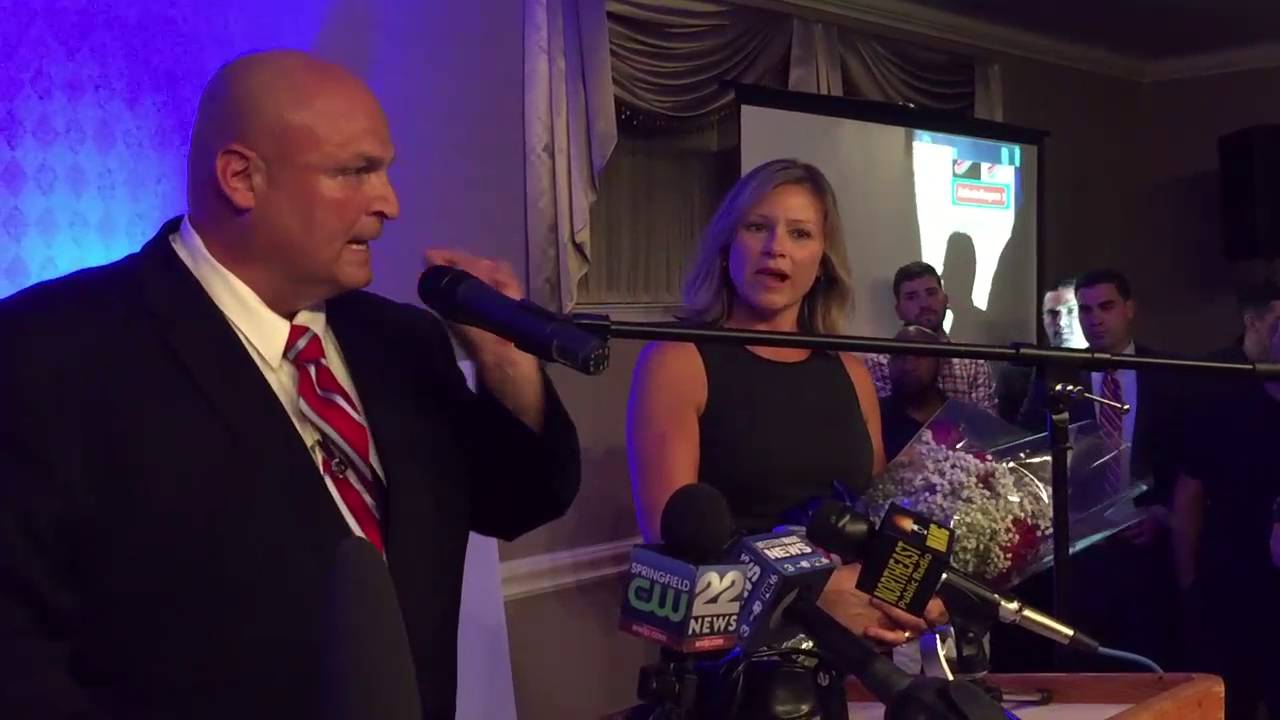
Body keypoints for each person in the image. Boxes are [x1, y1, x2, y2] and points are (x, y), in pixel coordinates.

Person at [0, 51, 581, 719]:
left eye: (385, 171)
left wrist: (507, 363)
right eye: (354, 172)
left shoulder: (403, 341)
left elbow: (518, 501)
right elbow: (22, 656)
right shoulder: (47, 352)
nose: (389, 204)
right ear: (241, 177)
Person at [626, 158, 943, 649]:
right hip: (732, 664)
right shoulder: (677, 360)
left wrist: (915, 590)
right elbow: (673, 554)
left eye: (800, 233)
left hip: (855, 658)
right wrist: (808, 596)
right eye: (758, 227)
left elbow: (877, 521)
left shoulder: (852, 372)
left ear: (823, 260)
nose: (776, 247)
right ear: (727, 244)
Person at [1014, 268, 1181, 671]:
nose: (1095, 319)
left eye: (1106, 307)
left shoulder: (1165, 373)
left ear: (1129, 308)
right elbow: (1028, 454)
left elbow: (1184, 456)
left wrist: (1162, 512)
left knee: (1144, 668)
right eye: (1086, 310)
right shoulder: (1057, 373)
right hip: (1079, 554)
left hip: (1147, 548)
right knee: (1080, 669)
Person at [1171, 283, 1280, 720]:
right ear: (1253, 323)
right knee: (1232, 697)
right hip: (1233, 573)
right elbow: (1190, 492)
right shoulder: (1214, 382)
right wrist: (1188, 581)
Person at [866, 261, 997, 413]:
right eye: (911, 297)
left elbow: (986, 424)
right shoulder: (879, 364)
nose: (924, 304)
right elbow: (884, 421)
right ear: (898, 310)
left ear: (945, 299)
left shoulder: (973, 364)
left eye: (931, 293)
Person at [995, 278, 1085, 423]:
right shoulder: (1016, 375)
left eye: (1070, 311)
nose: (1061, 322)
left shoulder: (1107, 369)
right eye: (1053, 314)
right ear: (1043, 318)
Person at [878, 325, 947, 462]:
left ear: (939, 364)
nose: (908, 366)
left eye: (919, 355)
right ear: (889, 363)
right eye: (899, 355)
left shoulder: (961, 418)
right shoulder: (874, 418)